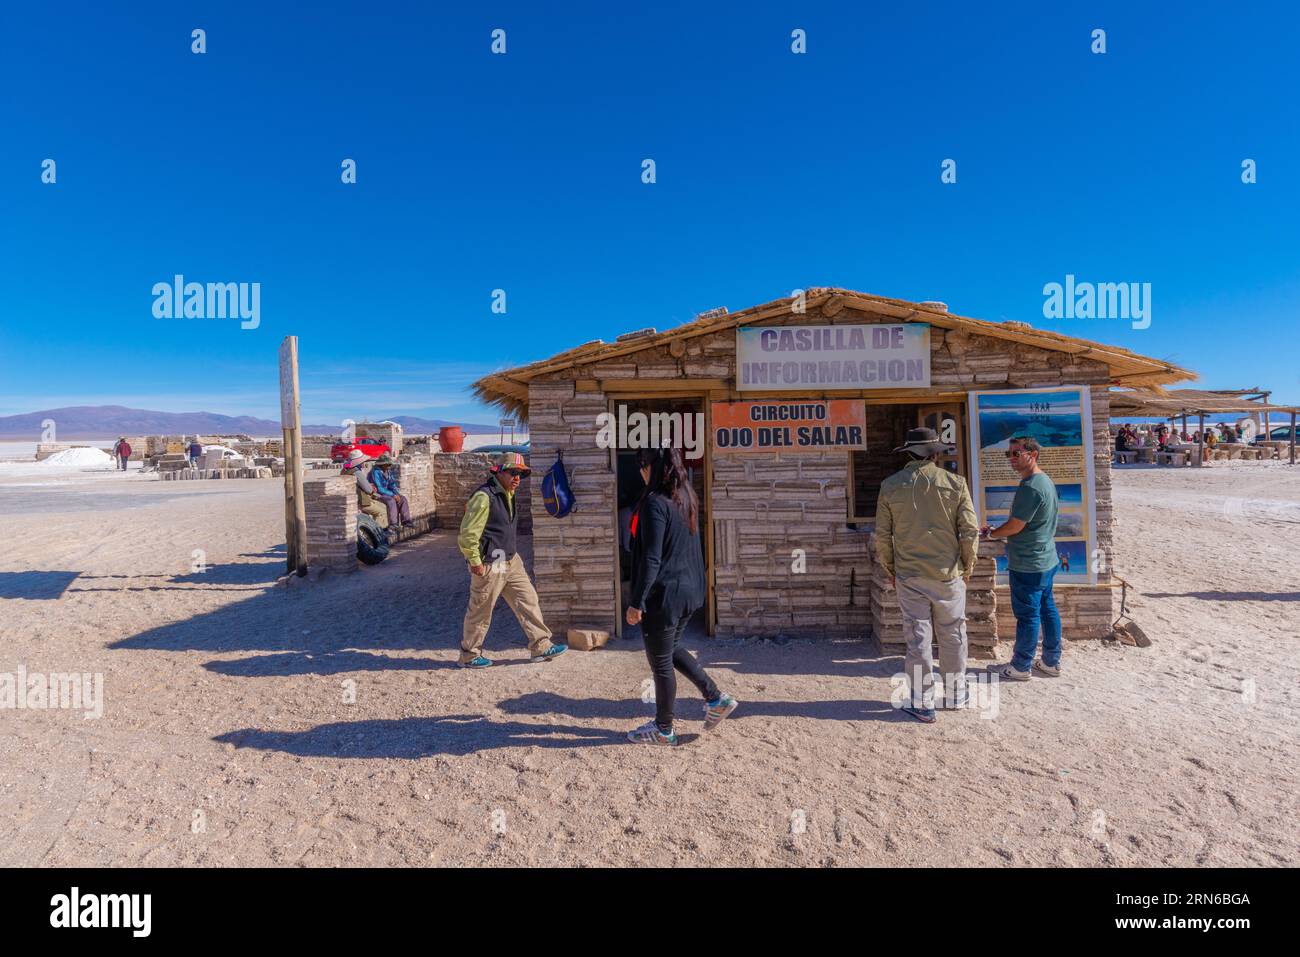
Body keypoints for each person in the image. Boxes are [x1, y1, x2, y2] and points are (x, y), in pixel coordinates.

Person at [624, 447, 737, 745]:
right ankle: (716, 699)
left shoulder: (654, 504)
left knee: (659, 662)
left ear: (651, 468)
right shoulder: (686, 499)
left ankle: (664, 729)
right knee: (671, 649)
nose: (640, 471)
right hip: (691, 591)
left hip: (666, 595)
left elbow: (651, 559)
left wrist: (636, 602)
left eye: (641, 465)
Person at [875, 427, 979, 722]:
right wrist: (967, 567)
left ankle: (922, 702)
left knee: (918, 637)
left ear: (908, 454)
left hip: (909, 574)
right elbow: (969, 531)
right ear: (934, 455)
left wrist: (891, 569)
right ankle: (956, 693)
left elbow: (882, 536)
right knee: (953, 633)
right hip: (948, 573)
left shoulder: (890, 486)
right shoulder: (955, 483)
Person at [457, 452, 566, 668]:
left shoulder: (508, 493)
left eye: (521, 474)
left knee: (528, 600)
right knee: (481, 609)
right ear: (499, 472)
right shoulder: (483, 496)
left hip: (510, 560)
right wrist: (475, 561)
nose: (517, 478)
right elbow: (468, 533)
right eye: (513, 473)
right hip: (491, 562)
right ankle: (469, 655)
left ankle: (541, 646)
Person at [982, 437, 1061, 680]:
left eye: (1017, 453)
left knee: (1028, 615)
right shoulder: (1044, 481)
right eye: (1009, 454)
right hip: (1046, 558)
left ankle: (1021, 667)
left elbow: (1016, 525)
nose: (1012, 459)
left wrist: (993, 534)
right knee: (1047, 611)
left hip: (1029, 562)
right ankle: (1050, 662)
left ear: (1033, 454)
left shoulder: (1031, 487)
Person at [344, 449, 391, 537]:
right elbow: (368, 490)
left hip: (354, 499)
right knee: (382, 512)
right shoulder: (357, 472)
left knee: (383, 506)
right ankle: (376, 535)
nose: (363, 463)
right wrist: (372, 488)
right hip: (361, 501)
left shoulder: (345, 470)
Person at [370, 454, 414, 530]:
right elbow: (379, 488)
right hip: (378, 494)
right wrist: (393, 495)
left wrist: (397, 494)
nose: (389, 466)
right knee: (391, 501)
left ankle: (406, 521)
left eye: (389, 464)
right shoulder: (375, 472)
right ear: (382, 464)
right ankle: (393, 523)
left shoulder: (388, 472)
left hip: (388, 493)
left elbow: (392, 485)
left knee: (403, 499)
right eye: (387, 464)